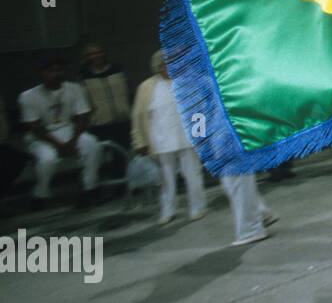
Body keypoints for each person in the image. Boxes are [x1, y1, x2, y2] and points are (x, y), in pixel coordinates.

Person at [131, 50, 206, 224]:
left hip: (187, 138)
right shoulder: (147, 87)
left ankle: (198, 207)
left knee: (192, 174)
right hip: (160, 139)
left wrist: (201, 134)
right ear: (158, 67)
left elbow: (199, 109)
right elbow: (137, 116)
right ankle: (168, 210)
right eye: (165, 63)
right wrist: (139, 141)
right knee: (166, 178)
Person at [18, 54, 100, 204]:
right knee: (48, 159)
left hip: (68, 129)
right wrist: (59, 145)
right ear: (41, 73)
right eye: (50, 71)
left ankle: (90, 188)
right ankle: (40, 194)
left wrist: (73, 141)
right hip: (41, 137)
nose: (55, 74)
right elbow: (36, 128)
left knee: (92, 144)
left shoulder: (75, 88)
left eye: (59, 70)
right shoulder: (27, 96)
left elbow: (82, 117)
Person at [79, 42, 132, 174]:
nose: (97, 56)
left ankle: (124, 186)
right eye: (92, 54)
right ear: (87, 57)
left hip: (123, 121)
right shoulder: (83, 76)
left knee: (123, 155)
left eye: (99, 52)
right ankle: (106, 187)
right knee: (101, 158)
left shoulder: (118, 69)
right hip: (100, 124)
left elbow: (126, 92)